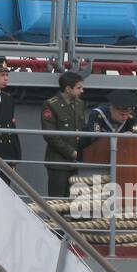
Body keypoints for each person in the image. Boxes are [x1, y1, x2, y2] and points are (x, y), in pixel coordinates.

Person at [41, 70, 88, 200]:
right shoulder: (51, 104)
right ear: (68, 89)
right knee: (57, 202)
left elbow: (82, 130)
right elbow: (50, 135)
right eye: (79, 88)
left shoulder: (80, 104)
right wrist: (71, 152)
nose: (82, 91)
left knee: (75, 202)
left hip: (76, 162)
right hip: (58, 162)